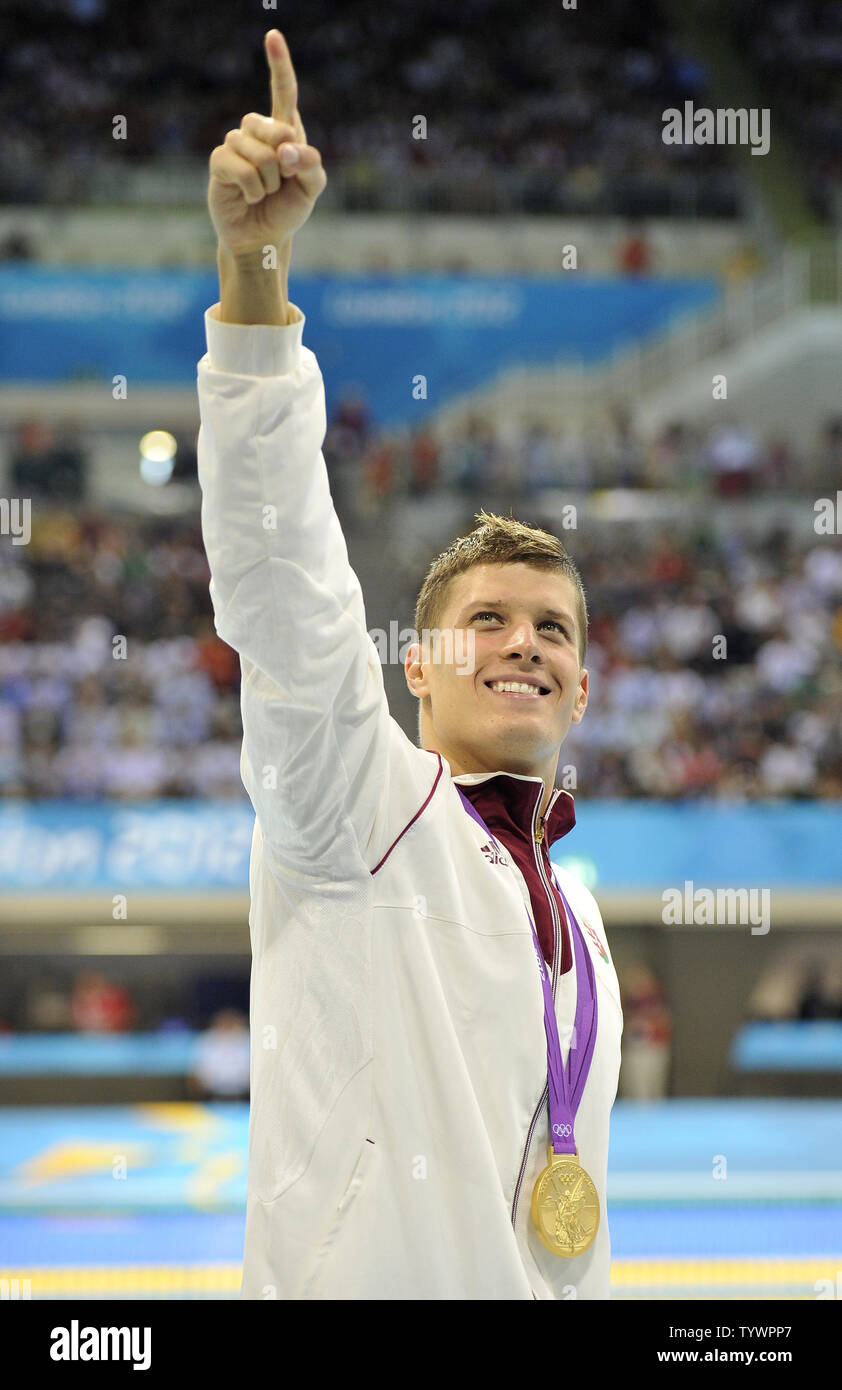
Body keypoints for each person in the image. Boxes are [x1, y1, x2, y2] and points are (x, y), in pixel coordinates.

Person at [199, 29, 622, 1301]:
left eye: (552, 630)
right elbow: (286, 591)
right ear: (418, 670)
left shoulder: (579, 914)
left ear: (582, 690)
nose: (523, 646)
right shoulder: (361, 810)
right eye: (486, 621)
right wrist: (255, 270)